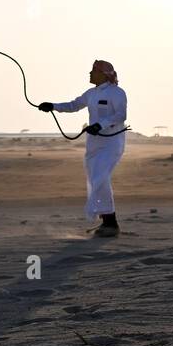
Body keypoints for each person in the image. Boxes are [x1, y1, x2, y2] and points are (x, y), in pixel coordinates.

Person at [39, 59, 128, 237]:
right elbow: (74, 105)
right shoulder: (90, 93)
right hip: (93, 144)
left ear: (103, 74)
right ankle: (109, 222)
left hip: (111, 143)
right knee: (96, 179)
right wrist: (53, 107)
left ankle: (110, 223)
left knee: (100, 177)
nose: (89, 73)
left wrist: (100, 125)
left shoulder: (117, 93)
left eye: (93, 71)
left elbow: (120, 115)